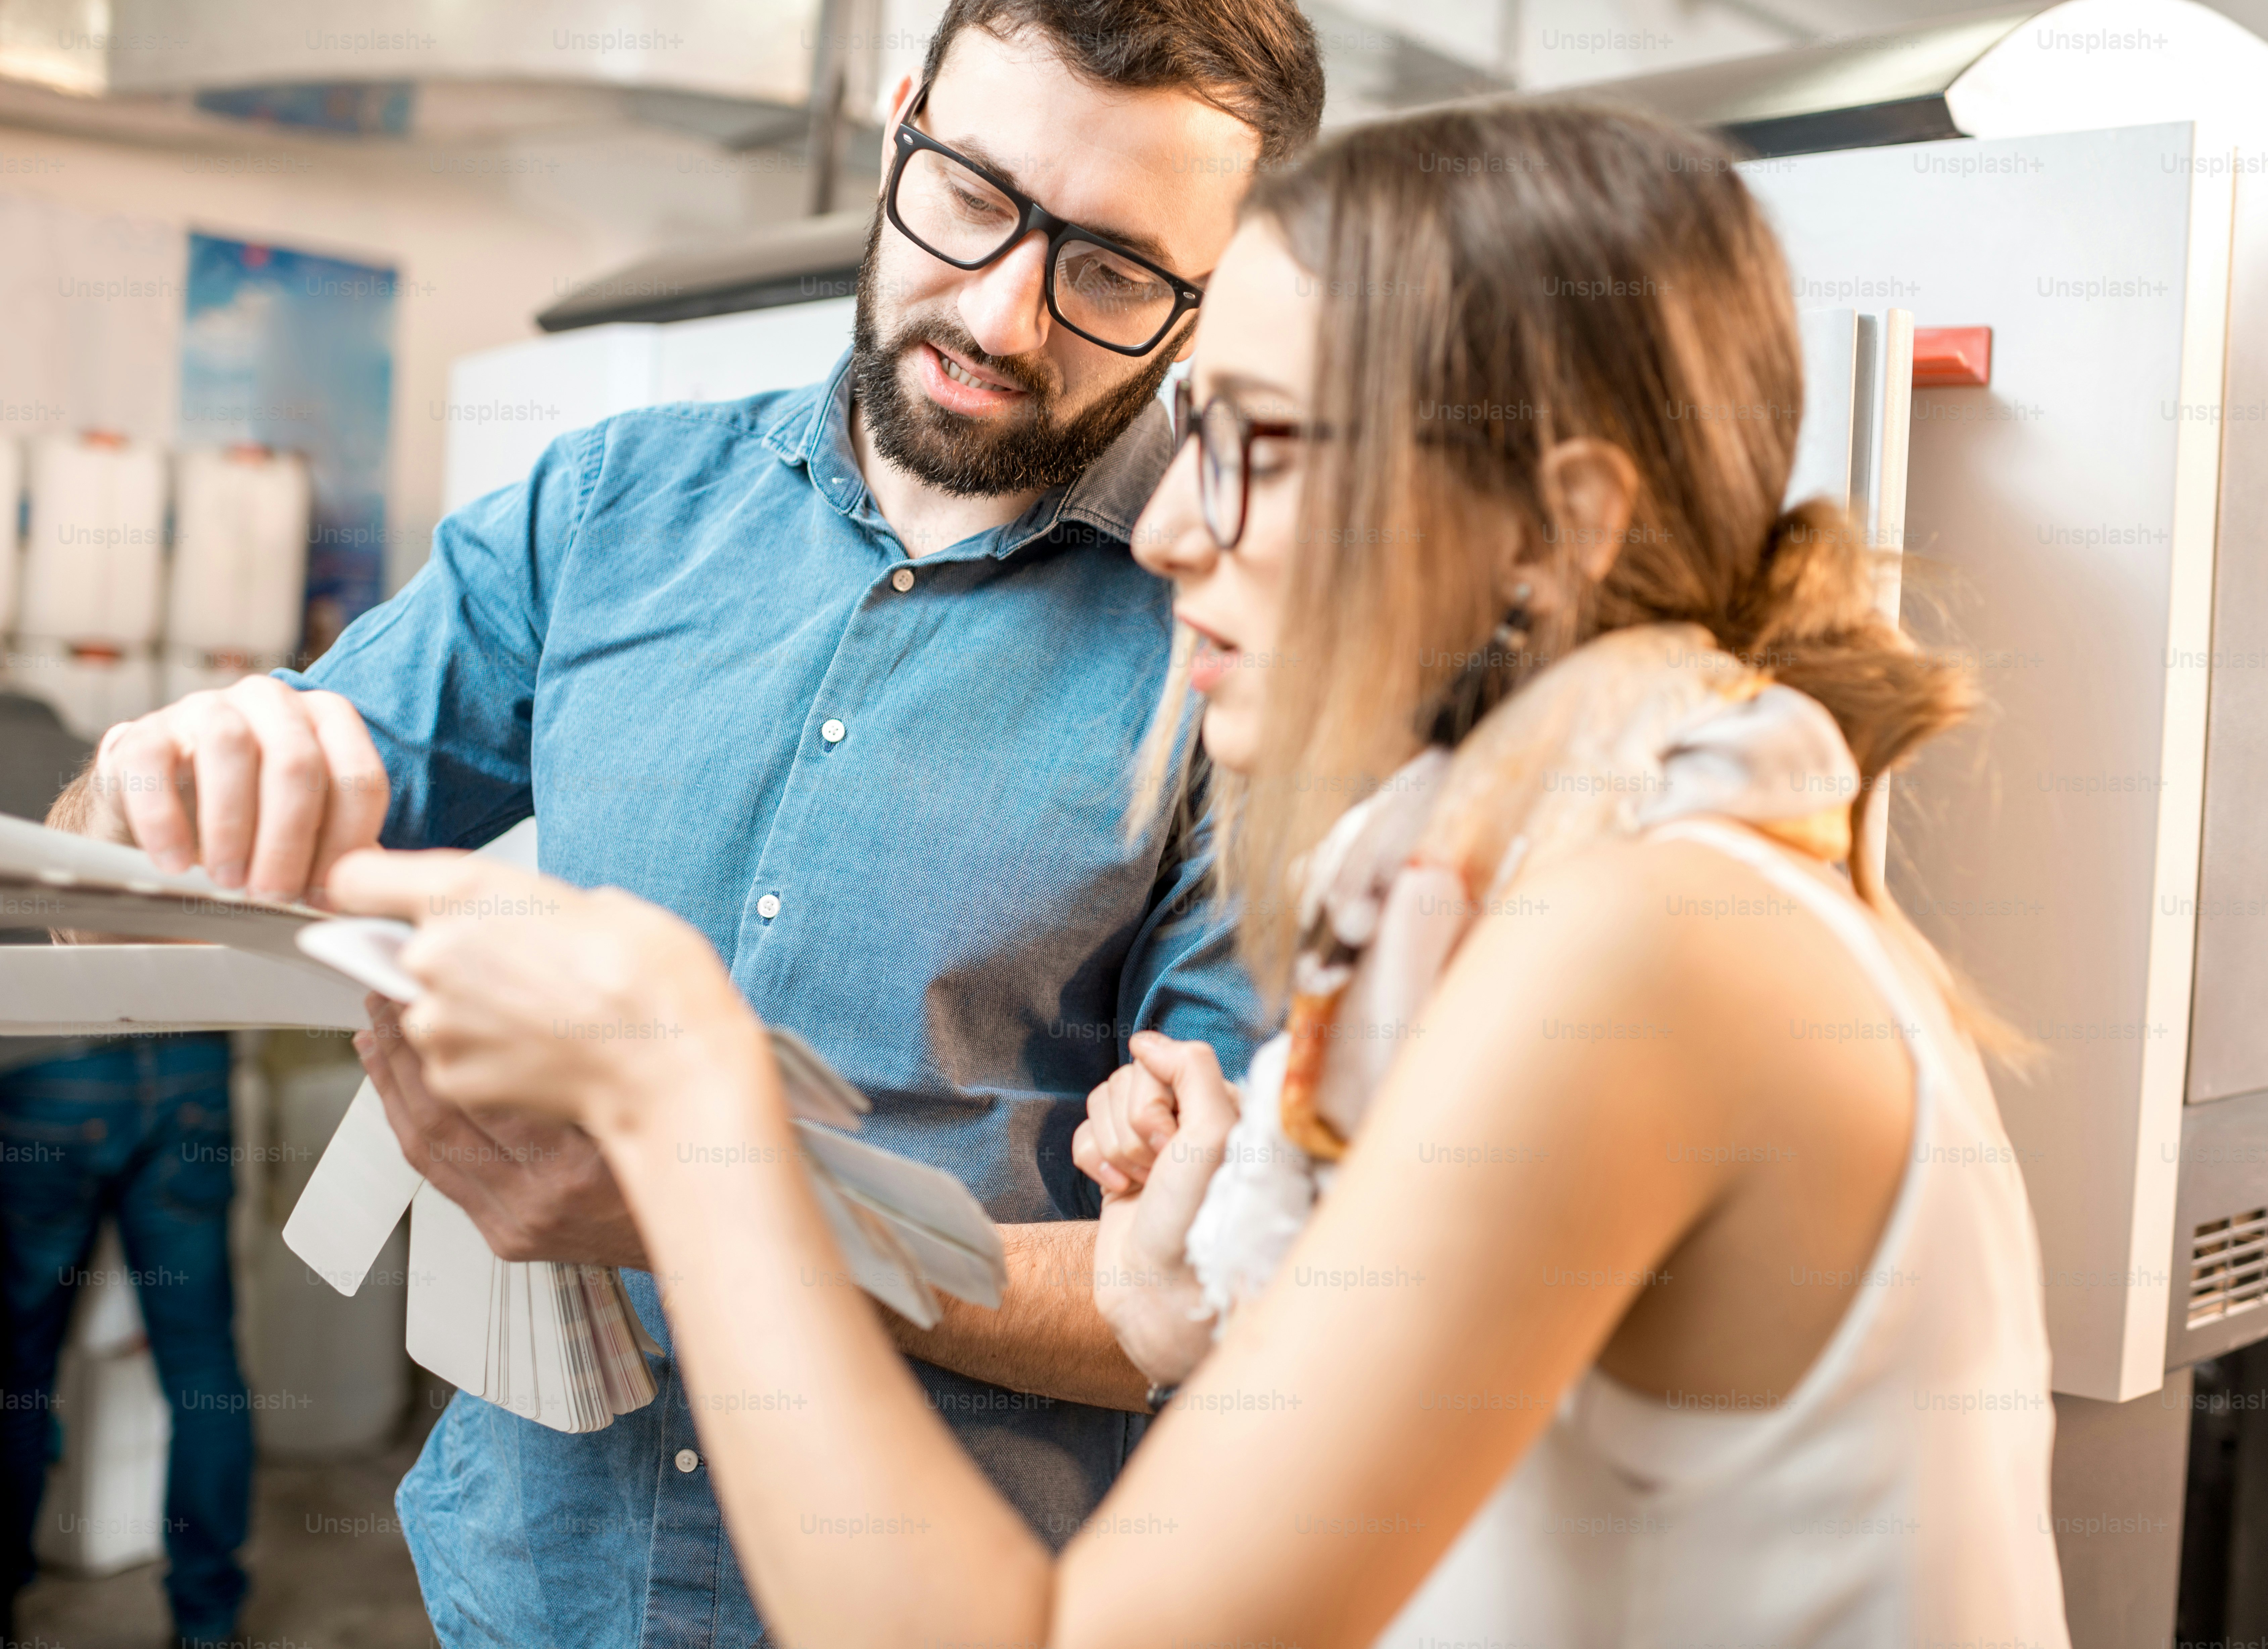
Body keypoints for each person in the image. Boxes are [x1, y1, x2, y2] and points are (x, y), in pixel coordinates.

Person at [318, 101, 2075, 1648]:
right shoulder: (1544, 903)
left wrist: (686, 1101)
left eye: (1260, 444)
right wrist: (1187, 1301)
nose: (1166, 532)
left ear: (1564, 529)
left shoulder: (1647, 949)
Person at [44, 2, 1324, 1641]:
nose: (1006, 313)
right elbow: (125, 899)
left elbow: (1213, 1287)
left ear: (1215, 289)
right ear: (900, 122)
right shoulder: (605, 514)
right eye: (975, 196)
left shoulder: (1235, 654)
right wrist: (155, 783)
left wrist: (710, 1208)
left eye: (1117, 273)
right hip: (520, 1589)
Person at [2, 694, 251, 1649]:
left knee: (23, 1368)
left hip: (45, 1080)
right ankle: (210, 1618)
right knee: (204, 1367)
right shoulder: (98, 760)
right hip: (188, 1067)